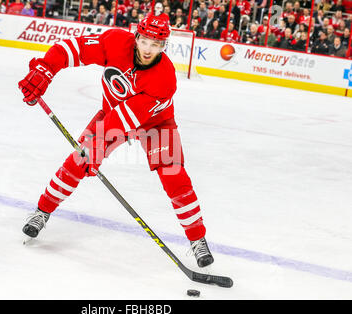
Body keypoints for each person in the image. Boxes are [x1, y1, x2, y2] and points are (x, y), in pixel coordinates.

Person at [18, 15, 215, 268]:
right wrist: (45, 68)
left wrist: (96, 146)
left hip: (156, 124)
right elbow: (72, 48)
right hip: (112, 114)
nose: (148, 49)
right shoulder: (114, 42)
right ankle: (41, 212)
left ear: (164, 46)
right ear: (137, 37)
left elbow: (125, 119)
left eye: (156, 45)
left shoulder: (164, 77)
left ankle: (197, 240)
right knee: (77, 162)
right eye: (145, 41)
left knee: (174, 175)